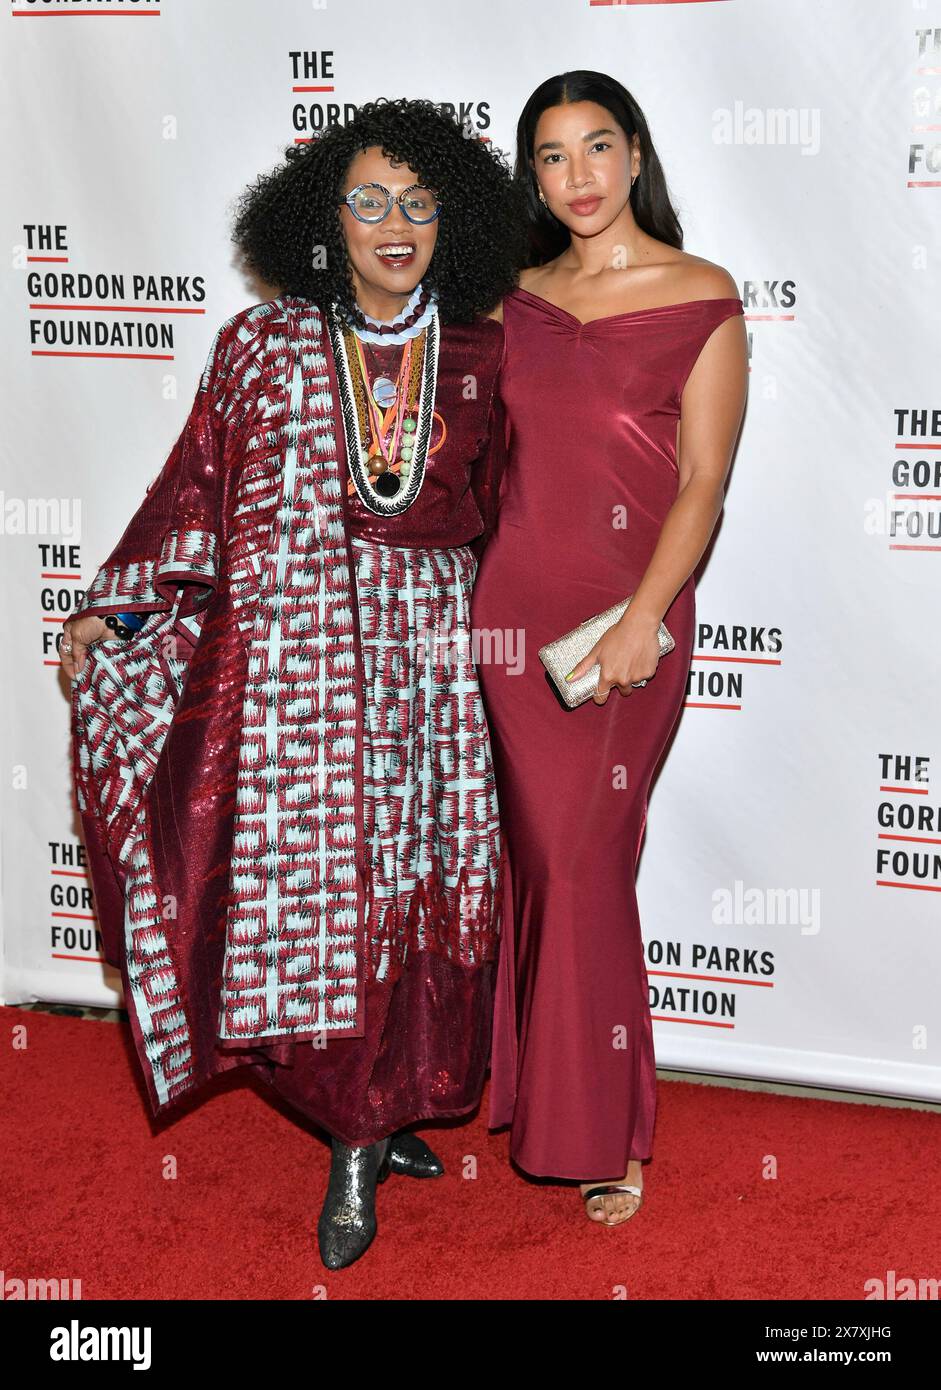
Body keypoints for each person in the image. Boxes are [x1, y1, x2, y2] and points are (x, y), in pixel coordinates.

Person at [60, 96, 525, 1269]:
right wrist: (117, 606)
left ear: (451, 218)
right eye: (366, 199)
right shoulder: (259, 345)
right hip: (296, 688)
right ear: (324, 217)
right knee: (318, 900)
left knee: (412, 887)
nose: (393, 222)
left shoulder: (479, 351)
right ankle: (355, 1138)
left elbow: (522, 511)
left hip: (427, 671)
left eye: (419, 201)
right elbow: (196, 497)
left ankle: (385, 1109)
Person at [470, 71, 748, 1226]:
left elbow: (704, 483)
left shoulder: (700, 294)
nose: (576, 176)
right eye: (550, 155)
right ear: (530, 174)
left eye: (595, 147)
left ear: (634, 156)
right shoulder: (506, 299)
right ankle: (524, 1086)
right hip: (509, 613)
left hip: (625, 618)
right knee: (534, 865)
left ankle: (604, 1130)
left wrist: (643, 617)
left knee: (585, 866)